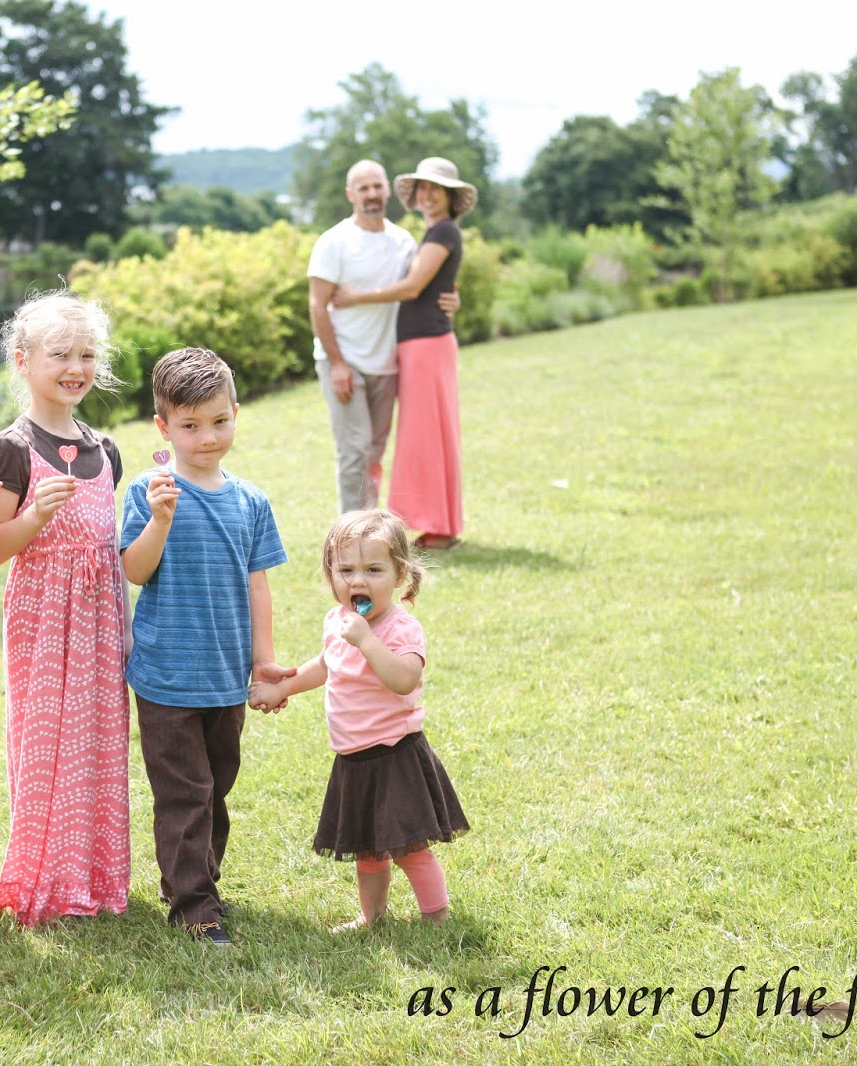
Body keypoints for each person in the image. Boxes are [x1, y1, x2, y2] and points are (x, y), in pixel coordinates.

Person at [120, 347, 291, 945]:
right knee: (184, 792)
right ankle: (195, 905)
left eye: (219, 421)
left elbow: (257, 584)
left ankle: (195, 879)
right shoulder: (151, 490)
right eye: (190, 426)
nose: (207, 436)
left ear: (236, 414)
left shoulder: (251, 502)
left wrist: (263, 661)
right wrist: (160, 520)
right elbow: (135, 571)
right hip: (167, 675)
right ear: (164, 429)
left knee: (217, 786)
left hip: (225, 676)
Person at [0, 291, 130, 926]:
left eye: (87, 354)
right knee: (45, 743)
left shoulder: (108, 450)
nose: (75, 367)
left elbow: (108, 542)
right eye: (59, 354)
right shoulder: (9, 449)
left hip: (99, 616)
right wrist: (34, 515)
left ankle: (93, 879)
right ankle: (43, 878)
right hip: (42, 617)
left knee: (98, 742)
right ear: (22, 361)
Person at [249, 509, 468, 930]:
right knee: (367, 850)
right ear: (330, 574)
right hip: (353, 758)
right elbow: (326, 665)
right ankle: (372, 917)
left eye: (373, 569)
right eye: (345, 570)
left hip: (395, 756)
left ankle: (437, 915)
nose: (358, 581)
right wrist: (282, 688)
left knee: (409, 847)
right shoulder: (338, 622)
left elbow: (404, 679)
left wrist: (367, 640)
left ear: (400, 574)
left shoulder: (400, 629)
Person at [334, 157, 476, 550]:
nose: (428, 195)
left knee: (427, 435)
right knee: (424, 434)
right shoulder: (434, 234)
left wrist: (355, 297)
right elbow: (434, 285)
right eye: (423, 188)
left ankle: (439, 527)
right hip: (421, 345)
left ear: (450, 196)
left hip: (427, 346)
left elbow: (413, 287)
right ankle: (437, 524)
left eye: (436, 189)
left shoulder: (443, 232)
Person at [307, 160, 460, 515]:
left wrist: (455, 297)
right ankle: (351, 533)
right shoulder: (333, 242)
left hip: (387, 364)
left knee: (375, 451)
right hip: (344, 362)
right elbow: (317, 307)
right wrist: (338, 364)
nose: (372, 194)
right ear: (351, 195)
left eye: (378, 186)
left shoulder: (403, 241)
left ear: (388, 190)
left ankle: (369, 528)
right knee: (355, 449)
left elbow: (420, 284)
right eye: (364, 188)